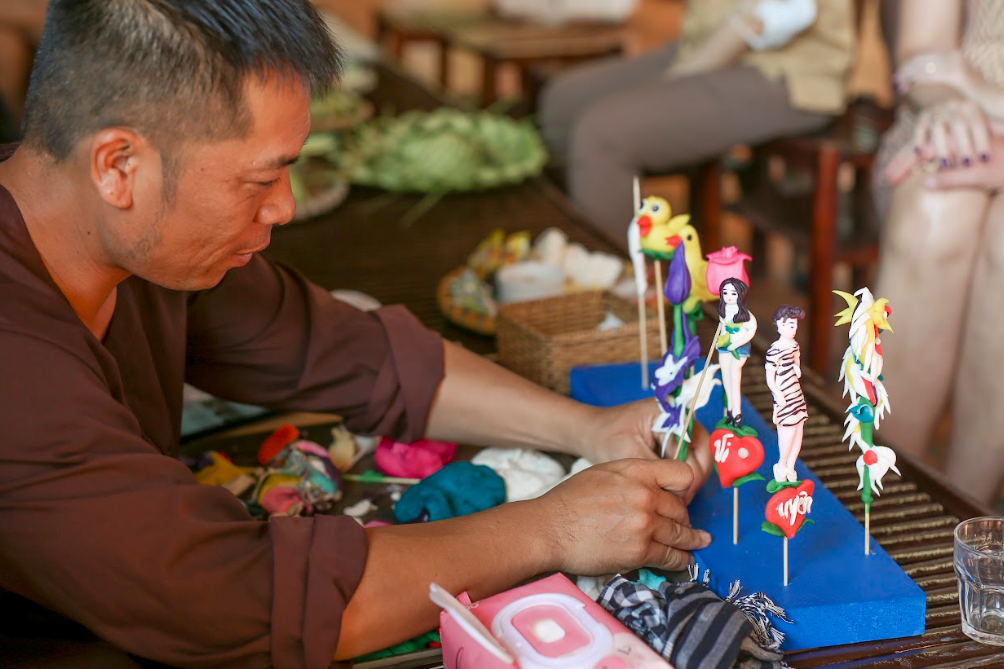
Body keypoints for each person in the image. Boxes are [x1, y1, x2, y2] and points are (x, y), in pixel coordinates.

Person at [0, 2, 714, 667]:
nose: (282, 207)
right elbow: (240, 601)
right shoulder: (18, 368)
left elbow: (350, 352)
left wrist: (591, 428)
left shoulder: (130, 240)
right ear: (118, 165)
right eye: (260, 179)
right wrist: (550, 529)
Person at [539, 0, 855, 244]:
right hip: (707, 41)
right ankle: (574, 250)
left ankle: (618, 300)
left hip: (788, 72)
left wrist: (670, 84)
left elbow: (775, 16)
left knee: (602, 134)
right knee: (560, 103)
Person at [872, 0, 1004, 503]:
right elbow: (924, 54)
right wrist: (952, 102)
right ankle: (878, 497)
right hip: (948, 114)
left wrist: (983, 92)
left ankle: (966, 511)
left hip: (982, 102)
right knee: (937, 208)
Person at [765, 305, 808, 483]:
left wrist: (797, 367)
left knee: (799, 430)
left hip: (796, 392)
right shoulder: (774, 350)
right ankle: (781, 465)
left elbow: (797, 357)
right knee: (787, 432)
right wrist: (777, 395)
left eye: (795, 325)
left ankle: (790, 466)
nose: (794, 328)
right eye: (790, 325)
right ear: (779, 325)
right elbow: (769, 377)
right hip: (784, 393)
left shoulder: (794, 345)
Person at [716, 278, 757, 428]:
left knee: (734, 375)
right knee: (725, 376)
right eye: (725, 292)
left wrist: (737, 343)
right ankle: (731, 410)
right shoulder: (723, 311)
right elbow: (722, 326)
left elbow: (752, 330)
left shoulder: (745, 315)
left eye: (733, 293)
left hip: (739, 348)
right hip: (724, 346)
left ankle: (737, 412)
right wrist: (720, 340)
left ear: (740, 294)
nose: (728, 296)